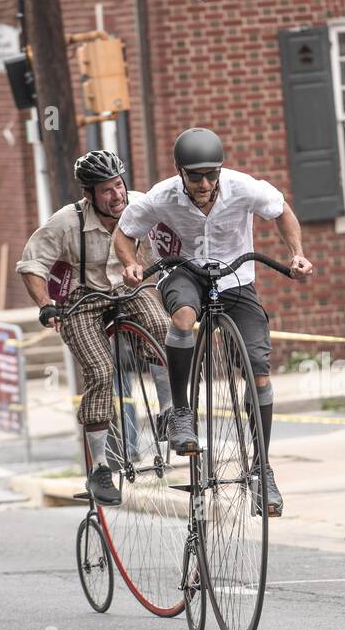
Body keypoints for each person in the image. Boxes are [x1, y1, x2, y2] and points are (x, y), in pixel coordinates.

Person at [112, 127, 314, 517]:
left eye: (211, 175)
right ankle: (181, 414)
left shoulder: (243, 187)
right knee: (184, 316)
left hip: (235, 278)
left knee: (259, 372)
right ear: (179, 172)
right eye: (195, 176)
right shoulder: (161, 196)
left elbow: (282, 211)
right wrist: (131, 263)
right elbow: (124, 233)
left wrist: (297, 254)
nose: (204, 184)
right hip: (183, 272)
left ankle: (262, 469)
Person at [17, 149, 172, 507]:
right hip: (82, 299)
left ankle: (169, 413)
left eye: (119, 185)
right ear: (89, 195)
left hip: (128, 288)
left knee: (164, 330)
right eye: (106, 190)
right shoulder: (66, 222)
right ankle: (100, 467)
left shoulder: (141, 206)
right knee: (102, 371)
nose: (116, 196)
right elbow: (31, 264)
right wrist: (46, 306)